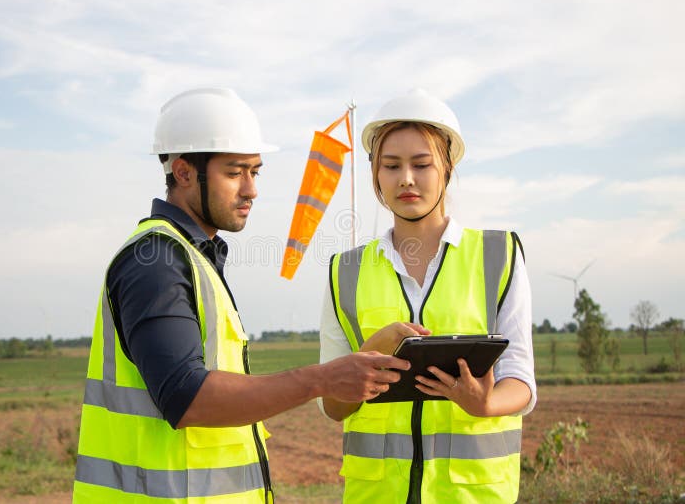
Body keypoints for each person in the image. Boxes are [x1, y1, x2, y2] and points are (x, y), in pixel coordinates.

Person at [72, 87, 411, 503]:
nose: (251, 189)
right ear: (182, 172)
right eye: (234, 173)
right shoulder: (155, 261)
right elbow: (187, 397)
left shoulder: (192, 256)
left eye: (255, 171)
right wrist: (322, 378)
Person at [319, 88, 536, 503]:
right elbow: (332, 406)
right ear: (374, 173)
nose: (406, 178)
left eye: (421, 164)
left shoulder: (498, 255)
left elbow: (522, 381)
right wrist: (367, 356)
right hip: (377, 494)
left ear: (447, 168)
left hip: (472, 495)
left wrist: (484, 404)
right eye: (391, 165)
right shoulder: (344, 272)